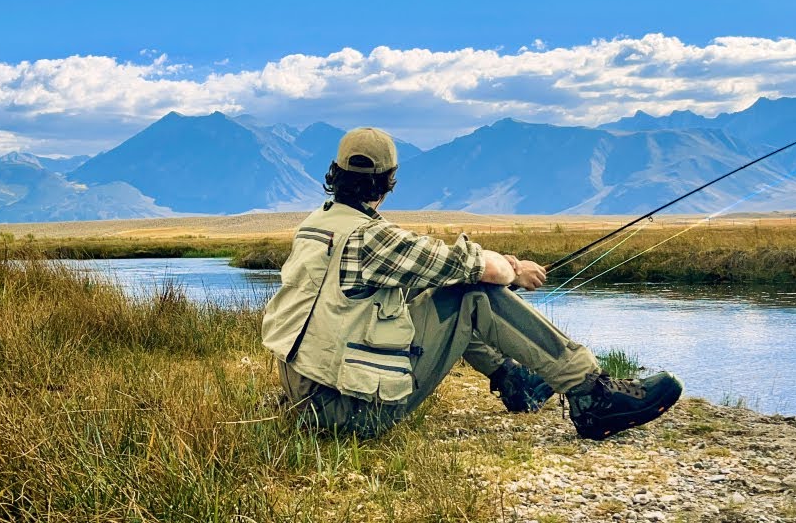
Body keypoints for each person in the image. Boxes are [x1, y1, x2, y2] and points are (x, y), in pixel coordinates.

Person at [261, 126, 682, 439]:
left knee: (446, 290)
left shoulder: (316, 226)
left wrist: (497, 265)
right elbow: (474, 269)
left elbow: (425, 275)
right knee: (474, 295)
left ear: (335, 174)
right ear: (389, 182)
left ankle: (513, 381)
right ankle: (591, 392)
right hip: (348, 413)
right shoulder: (372, 238)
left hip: (309, 400)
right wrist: (515, 270)